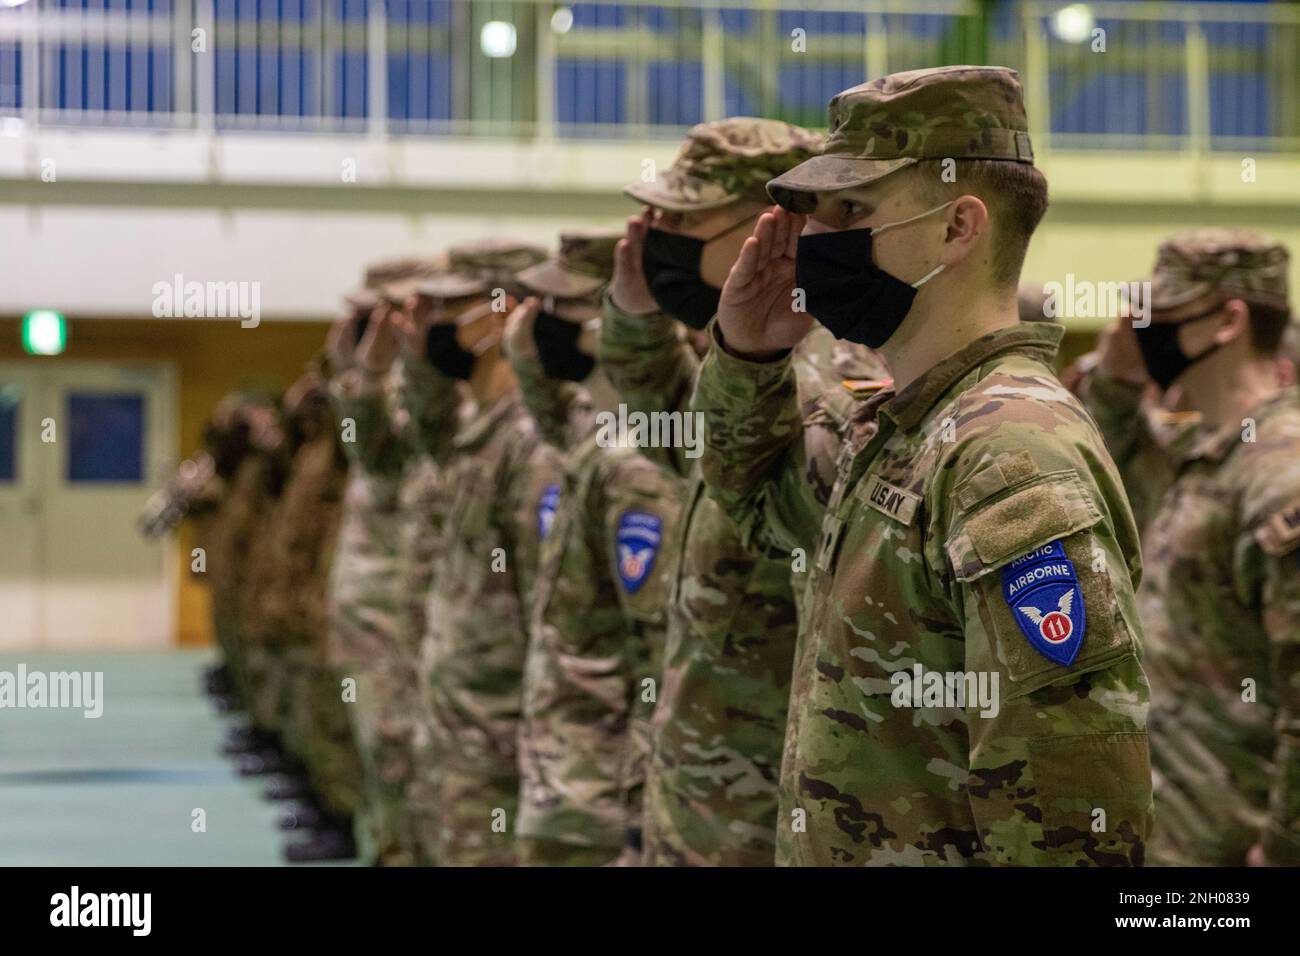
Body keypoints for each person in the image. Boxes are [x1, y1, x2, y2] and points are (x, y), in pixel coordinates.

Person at [694, 66, 1152, 865]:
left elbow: (1071, 823)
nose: (811, 241)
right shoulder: (906, 428)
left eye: (850, 210)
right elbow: (761, 511)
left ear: (957, 227)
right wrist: (747, 354)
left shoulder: (1008, 455)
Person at [600, 116, 884, 865]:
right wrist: (635, 320)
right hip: (706, 799)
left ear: (776, 224)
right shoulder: (755, 361)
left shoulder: (821, 377)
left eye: (682, 219)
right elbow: (680, 439)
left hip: (761, 816)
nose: (656, 235)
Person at [1084, 229, 1299, 866]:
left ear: (1228, 320)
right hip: (1169, 840)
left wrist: (1284, 849)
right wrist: (1118, 376)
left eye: (1160, 316)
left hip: (1235, 851)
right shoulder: (1197, 453)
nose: (1140, 330)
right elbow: (1093, 470)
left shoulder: (1280, 472)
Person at [505, 230, 685, 865]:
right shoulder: (601, 442)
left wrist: (636, 817)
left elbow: (655, 659)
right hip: (572, 782)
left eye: (562, 310)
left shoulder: (638, 469)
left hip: (603, 795)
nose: (542, 324)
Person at [404, 239, 562, 866]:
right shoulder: (479, 431)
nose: (432, 324)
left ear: (502, 312)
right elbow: (415, 431)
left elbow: (553, 618)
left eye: (450, 307)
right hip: (459, 735)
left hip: (500, 749)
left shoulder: (530, 445)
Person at [326, 257, 441, 864]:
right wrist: (352, 369)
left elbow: (382, 462)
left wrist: (368, 376)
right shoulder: (385, 383)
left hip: (401, 608)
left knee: (402, 765)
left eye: (381, 315)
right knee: (381, 762)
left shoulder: (430, 391)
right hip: (373, 604)